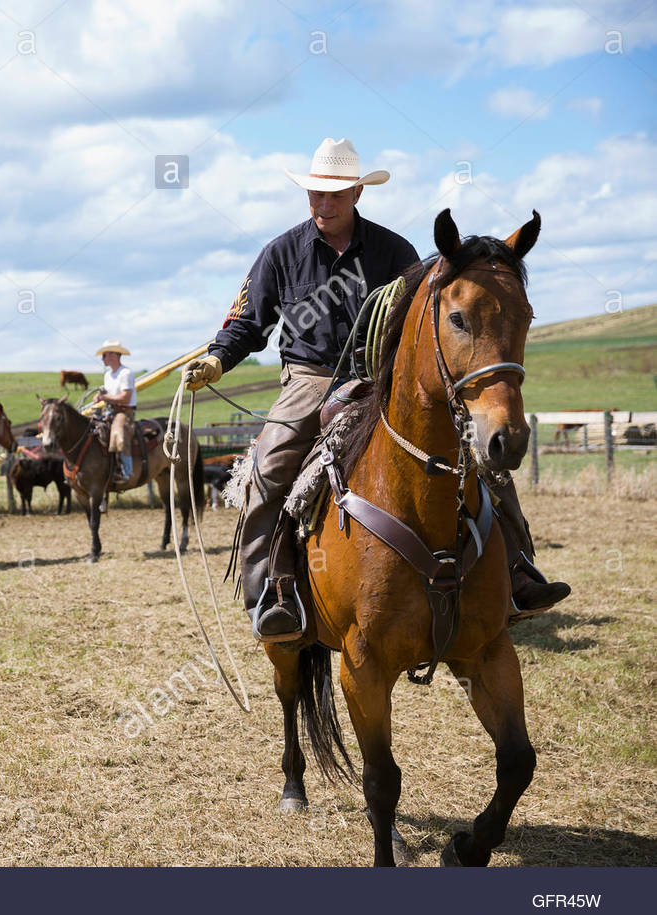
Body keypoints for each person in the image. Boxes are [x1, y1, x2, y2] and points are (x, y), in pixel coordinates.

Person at [182, 137, 569, 642]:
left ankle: (516, 570)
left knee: (478, 452)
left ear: (358, 195)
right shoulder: (279, 254)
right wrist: (216, 358)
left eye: (336, 194)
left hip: (378, 377)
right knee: (268, 467)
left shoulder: (395, 252)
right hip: (308, 379)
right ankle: (270, 594)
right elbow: (246, 322)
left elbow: (423, 323)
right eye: (317, 194)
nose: (324, 204)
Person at [95, 339, 137, 481]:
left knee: (119, 434)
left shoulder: (126, 373)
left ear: (113, 355)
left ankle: (127, 471)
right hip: (110, 411)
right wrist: (100, 396)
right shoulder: (108, 375)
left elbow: (125, 398)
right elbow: (109, 394)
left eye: (105, 355)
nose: (102, 358)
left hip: (125, 412)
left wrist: (104, 398)